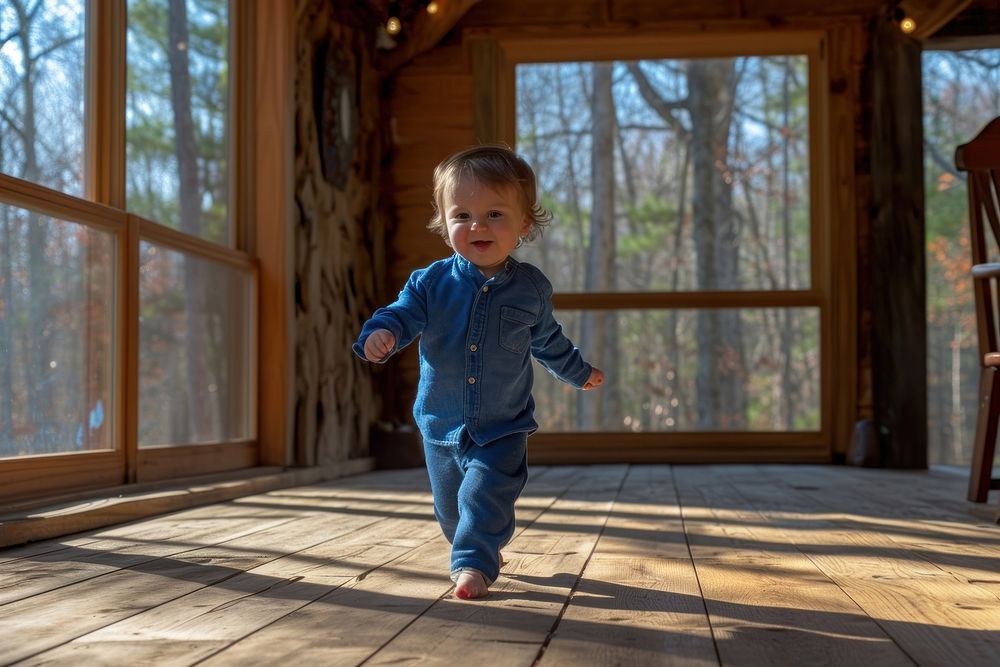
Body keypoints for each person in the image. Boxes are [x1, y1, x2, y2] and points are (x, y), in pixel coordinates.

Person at [353, 145, 604, 599]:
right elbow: (401, 313)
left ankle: (472, 565)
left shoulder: (531, 289)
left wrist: (578, 371)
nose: (477, 226)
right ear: (444, 222)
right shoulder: (429, 283)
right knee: (451, 512)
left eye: (493, 214)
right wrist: (382, 333)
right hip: (441, 423)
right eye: (462, 214)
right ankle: (476, 545)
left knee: (483, 496)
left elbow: (547, 340)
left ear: (524, 224)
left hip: (502, 425)